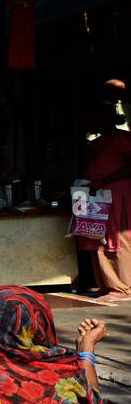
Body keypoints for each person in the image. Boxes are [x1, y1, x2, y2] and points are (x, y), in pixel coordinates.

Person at [80, 97, 131, 300]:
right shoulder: (98, 142)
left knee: (119, 240)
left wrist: (105, 181)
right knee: (97, 239)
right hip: (99, 196)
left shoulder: (123, 139)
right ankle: (107, 284)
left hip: (119, 195)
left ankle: (123, 287)